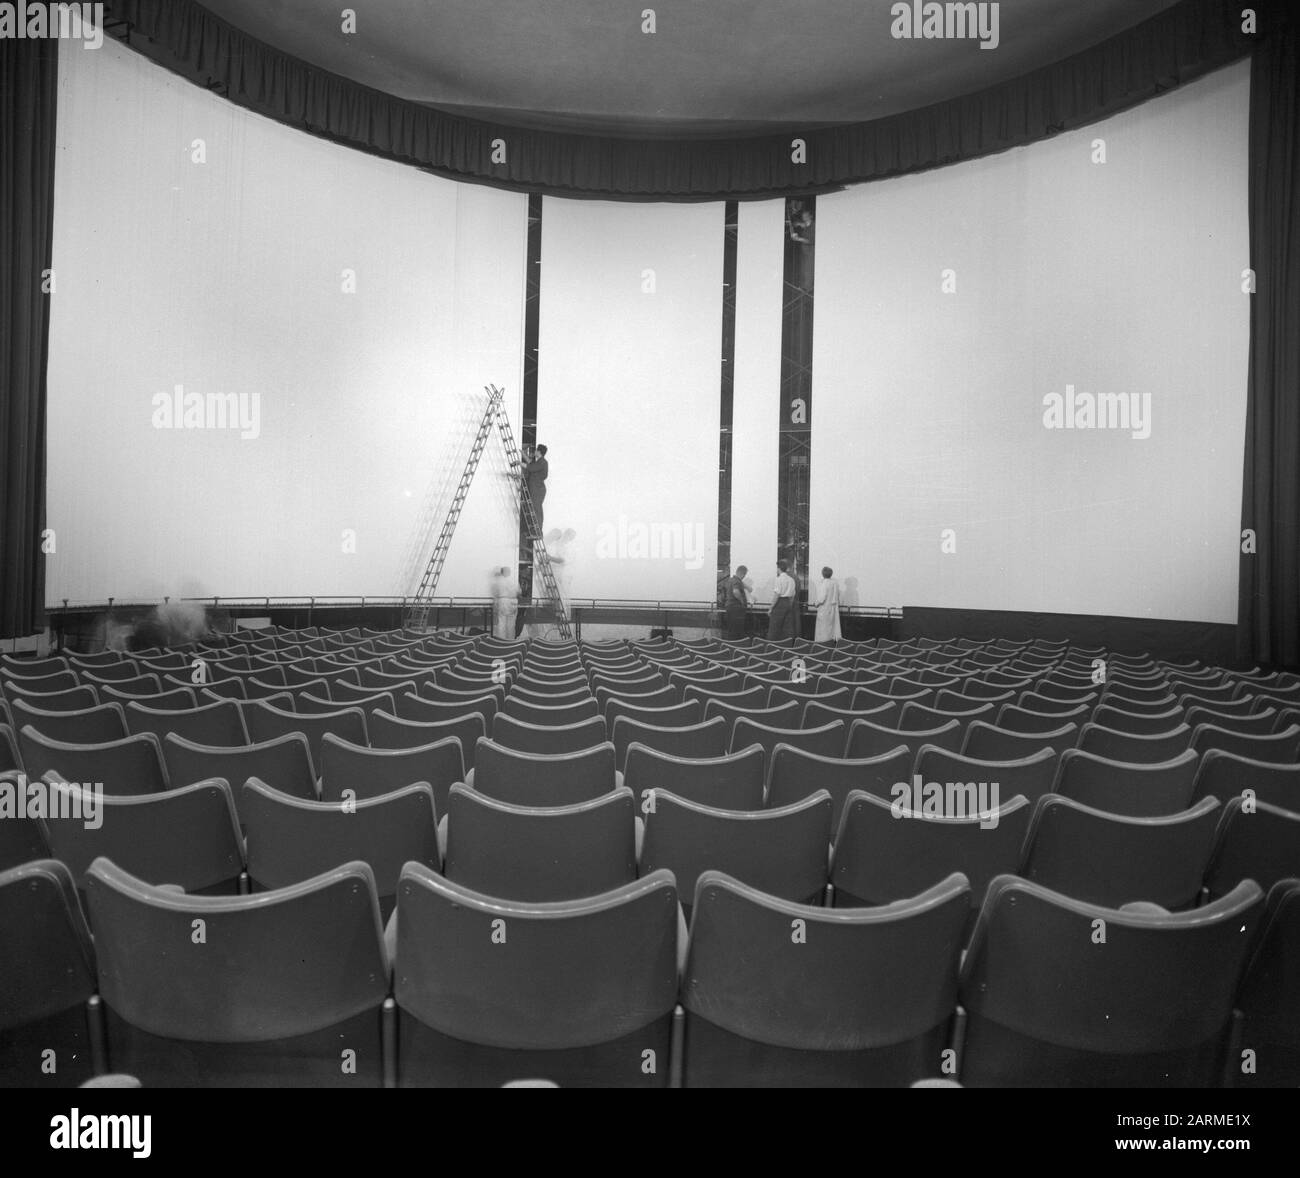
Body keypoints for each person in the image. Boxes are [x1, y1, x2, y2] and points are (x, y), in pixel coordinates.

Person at [768, 559, 798, 642]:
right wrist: (789, 605)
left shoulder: (779, 579)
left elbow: (777, 595)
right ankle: (786, 645)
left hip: (779, 603)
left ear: (779, 569)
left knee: (774, 627)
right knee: (787, 628)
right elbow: (792, 595)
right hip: (788, 602)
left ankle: (773, 645)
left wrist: (771, 608)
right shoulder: (792, 580)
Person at [524, 444, 549, 533]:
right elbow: (531, 464)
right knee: (535, 508)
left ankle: (538, 530)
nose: (534, 452)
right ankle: (536, 529)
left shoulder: (542, 462)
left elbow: (531, 468)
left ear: (539, 452)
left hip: (538, 489)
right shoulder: (540, 462)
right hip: (536, 488)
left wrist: (520, 463)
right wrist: (523, 453)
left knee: (536, 509)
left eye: (536, 450)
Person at [814, 566, 842, 643]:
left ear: (822, 574)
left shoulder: (824, 583)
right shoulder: (834, 583)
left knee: (823, 629)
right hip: (832, 609)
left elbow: (821, 598)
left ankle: (823, 645)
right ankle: (830, 644)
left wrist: (816, 604)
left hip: (824, 609)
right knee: (831, 628)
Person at [490, 565, 519, 640]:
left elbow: (495, 593)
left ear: (501, 572)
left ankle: (501, 642)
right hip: (513, 602)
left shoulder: (498, 581)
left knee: (501, 623)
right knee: (511, 624)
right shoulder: (514, 581)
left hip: (502, 600)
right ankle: (511, 641)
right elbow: (519, 592)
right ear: (509, 572)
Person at [724, 565, 748, 639]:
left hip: (730, 607)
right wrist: (742, 601)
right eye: (744, 575)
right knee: (737, 630)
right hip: (736, 608)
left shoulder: (730, 580)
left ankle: (731, 646)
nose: (744, 577)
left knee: (731, 629)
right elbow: (736, 592)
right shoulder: (737, 581)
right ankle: (737, 645)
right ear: (742, 574)